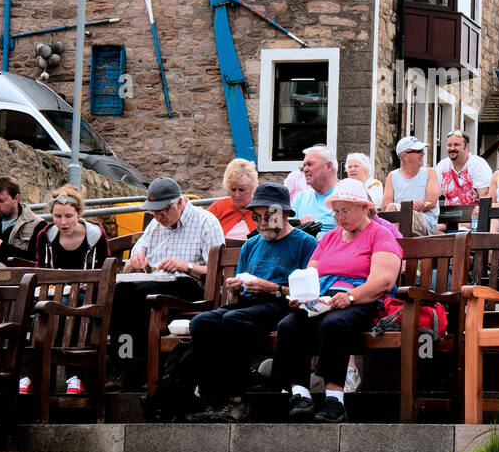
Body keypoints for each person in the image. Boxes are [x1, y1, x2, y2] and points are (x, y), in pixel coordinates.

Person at [272, 178, 403, 423]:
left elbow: (383, 282)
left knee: (334, 324)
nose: (340, 217)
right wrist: (300, 298)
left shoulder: (380, 235)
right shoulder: (330, 238)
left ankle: (335, 399)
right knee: (288, 324)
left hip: (364, 300)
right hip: (325, 300)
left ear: (365, 208)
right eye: (336, 212)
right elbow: (311, 273)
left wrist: (351, 296)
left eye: (346, 211)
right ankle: (300, 394)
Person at [186, 183, 318, 423]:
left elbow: (308, 296)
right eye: (257, 217)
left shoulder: (305, 243)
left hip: (282, 305)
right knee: (202, 322)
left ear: (285, 213)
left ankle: (237, 398)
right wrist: (234, 289)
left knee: (233, 319)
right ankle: (212, 398)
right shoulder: (251, 244)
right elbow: (236, 298)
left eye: (268, 216)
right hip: (248, 305)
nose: (261, 223)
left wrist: (274, 289)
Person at [111, 176, 224, 389]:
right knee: (121, 292)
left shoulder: (205, 221)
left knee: (143, 294)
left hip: (193, 287)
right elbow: (132, 262)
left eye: (163, 210)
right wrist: (136, 262)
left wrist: (186, 266)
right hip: (157, 284)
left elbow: (218, 272)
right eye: (154, 212)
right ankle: (124, 363)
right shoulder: (155, 225)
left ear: (179, 202)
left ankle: (143, 366)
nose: (158, 217)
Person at [27, 184, 112, 396]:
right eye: (57, 216)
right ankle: (29, 372)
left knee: (65, 310)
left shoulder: (95, 235)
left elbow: (106, 268)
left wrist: (90, 281)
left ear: (79, 214)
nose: (63, 222)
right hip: (54, 292)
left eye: (68, 216)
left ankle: (74, 376)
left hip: (86, 295)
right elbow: (41, 268)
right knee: (36, 311)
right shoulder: (46, 236)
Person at [0, 176, 45, 266]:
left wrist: (2, 247)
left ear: (16, 198)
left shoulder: (37, 225)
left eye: (1, 201)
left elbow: (36, 261)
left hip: (17, 278)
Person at [434, 130, 491, 231]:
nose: (452, 148)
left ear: (467, 146)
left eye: (456, 145)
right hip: (449, 217)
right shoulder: (442, 166)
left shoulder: (477, 164)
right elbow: (433, 195)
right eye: (449, 145)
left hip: (473, 218)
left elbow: (485, 196)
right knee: (430, 229)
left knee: (461, 229)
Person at [382, 135, 439, 236]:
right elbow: (385, 207)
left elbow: (432, 202)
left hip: (424, 222)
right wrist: (409, 207)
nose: (423, 153)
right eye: (418, 151)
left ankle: (395, 246)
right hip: (399, 218)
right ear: (405, 155)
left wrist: (417, 206)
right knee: (390, 211)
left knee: (392, 211)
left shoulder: (430, 173)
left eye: (422, 150)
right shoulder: (392, 176)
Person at [292, 145, 340, 233]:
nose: (305, 169)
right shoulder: (301, 198)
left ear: (329, 166)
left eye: (310, 164)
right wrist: (300, 226)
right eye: (304, 165)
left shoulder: (345, 195)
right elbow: (287, 232)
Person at [208, 159, 259, 240]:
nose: (237, 195)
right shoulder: (218, 208)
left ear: (252, 188)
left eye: (242, 189)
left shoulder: (261, 210)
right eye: (233, 190)